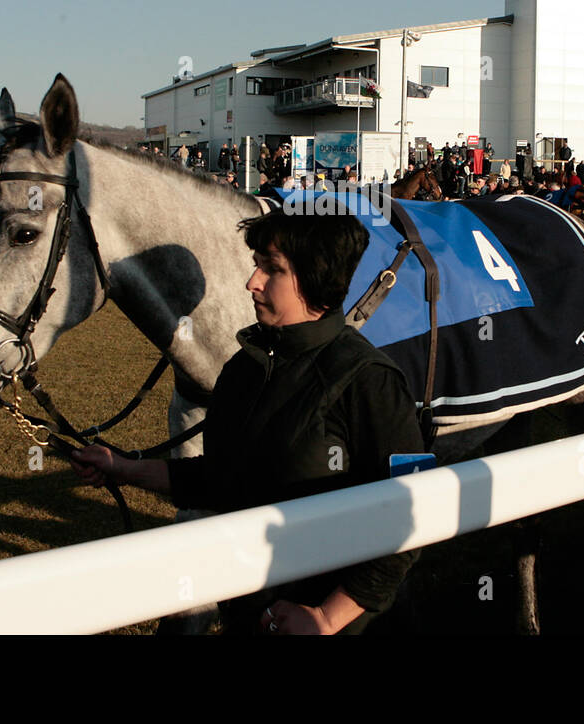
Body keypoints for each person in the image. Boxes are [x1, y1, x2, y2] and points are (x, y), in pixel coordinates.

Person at [70, 211, 423, 635]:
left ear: (316, 279)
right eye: (257, 265)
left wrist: (328, 617)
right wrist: (124, 468)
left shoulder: (369, 380)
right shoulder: (244, 367)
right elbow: (222, 478)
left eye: (271, 269)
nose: (252, 281)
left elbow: (411, 514)